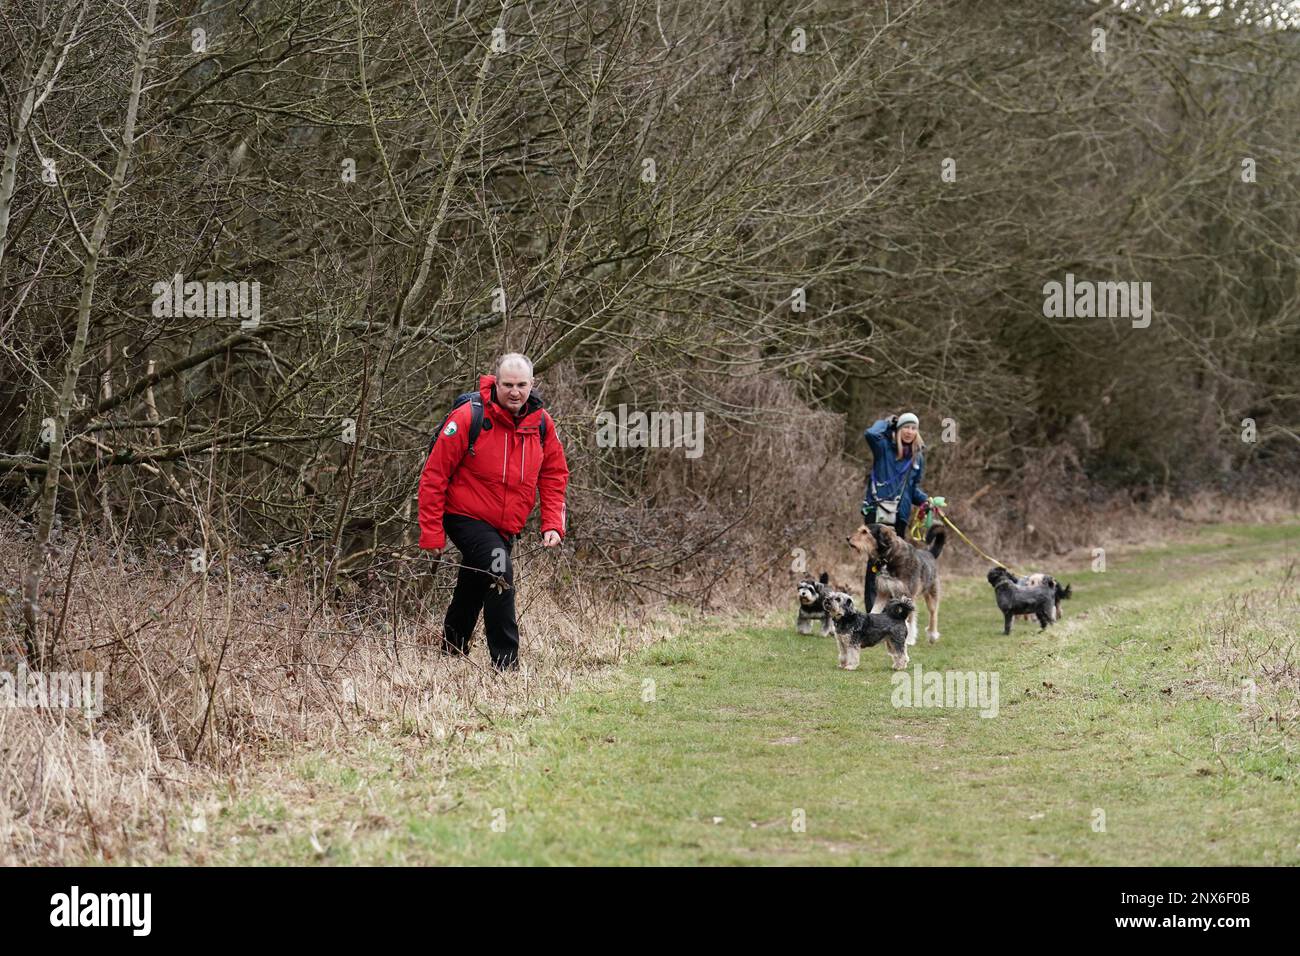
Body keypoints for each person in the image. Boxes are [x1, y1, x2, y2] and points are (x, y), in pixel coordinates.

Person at [418, 353, 569, 671]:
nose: (515, 392)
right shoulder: (468, 417)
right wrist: (431, 531)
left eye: (522, 385)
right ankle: (507, 665)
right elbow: (434, 475)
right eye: (508, 385)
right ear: (495, 383)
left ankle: (450, 652)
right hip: (464, 514)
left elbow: (554, 473)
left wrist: (552, 522)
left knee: (475, 581)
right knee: (499, 570)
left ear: (532, 384)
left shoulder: (541, 423)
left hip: (505, 524)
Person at [859, 411, 929, 611]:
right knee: (874, 562)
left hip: (900, 515)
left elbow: (912, 489)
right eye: (905, 427)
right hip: (876, 512)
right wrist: (888, 423)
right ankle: (872, 611)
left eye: (913, 428)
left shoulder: (917, 458)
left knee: (896, 563)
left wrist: (926, 501)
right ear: (898, 430)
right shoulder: (883, 448)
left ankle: (891, 611)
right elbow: (870, 434)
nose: (909, 431)